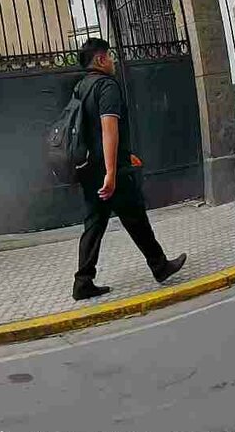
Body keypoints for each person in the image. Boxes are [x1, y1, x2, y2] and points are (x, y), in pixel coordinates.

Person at [72, 38, 187, 301]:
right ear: (100, 59)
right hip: (110, 169)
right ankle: (159, 266)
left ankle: (82, 282)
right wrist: (111, 172)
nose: (112, 60)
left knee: (94, 223)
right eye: (109, 56)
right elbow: (108, 128)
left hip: (89, 168)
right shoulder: (106, 86)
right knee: (135, 217)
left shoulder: (81, 87)